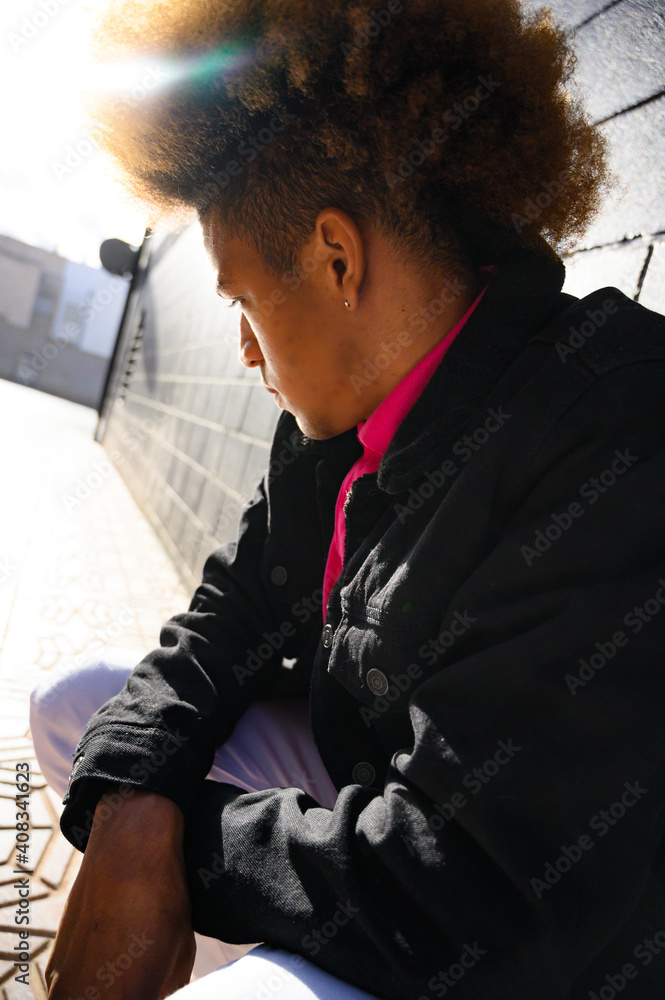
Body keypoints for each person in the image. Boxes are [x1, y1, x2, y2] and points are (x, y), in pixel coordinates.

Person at [29, 0, 665, 998]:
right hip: (372, 786)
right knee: (75, 714)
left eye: (240, 298)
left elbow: (476, 892)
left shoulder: (609, 419)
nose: (242, 349)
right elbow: (228, 612)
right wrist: (130, 801)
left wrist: (170, 844)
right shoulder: (333, 423)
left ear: (336, 258)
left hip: (500, 937)